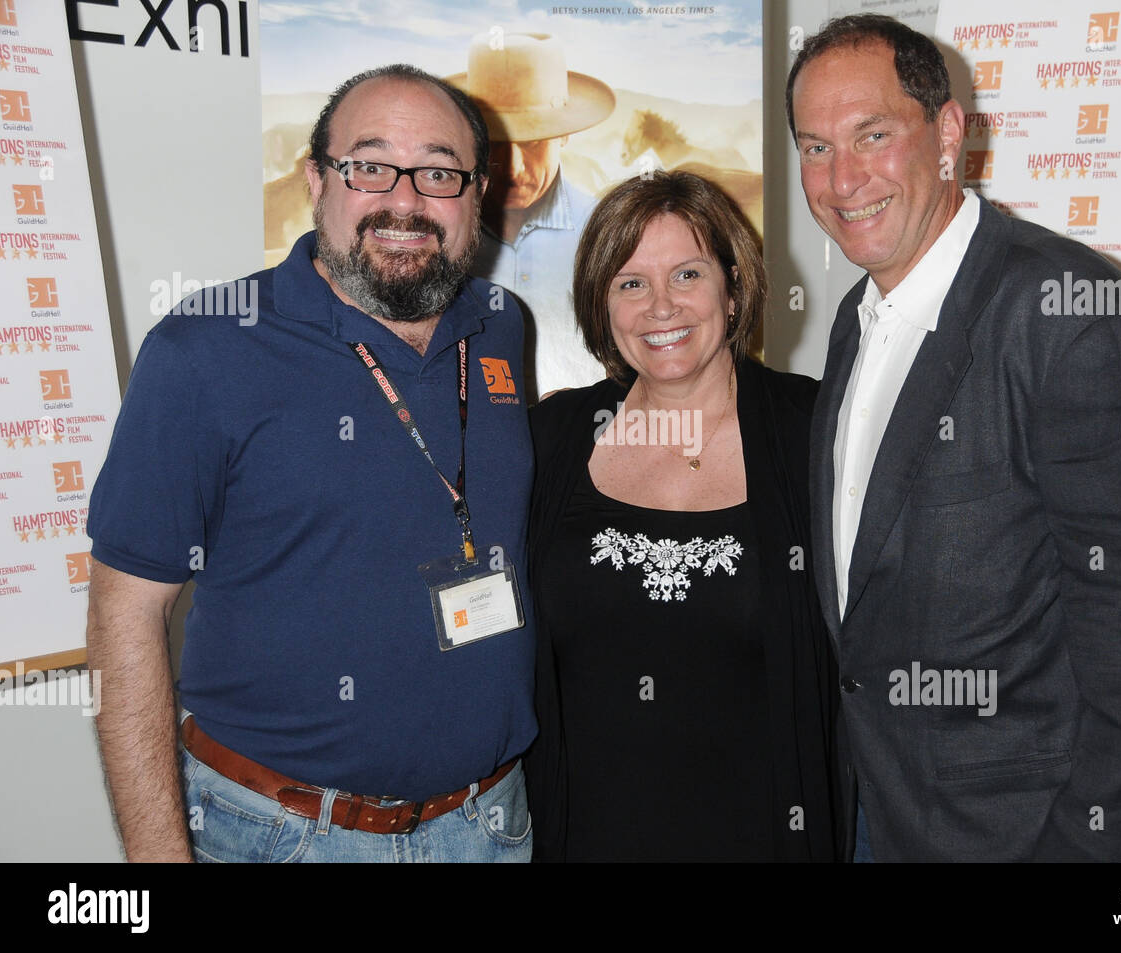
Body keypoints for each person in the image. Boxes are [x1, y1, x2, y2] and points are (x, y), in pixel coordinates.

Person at [787, 14, 1121, 862]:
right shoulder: (854, 321)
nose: (842, 180)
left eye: (872, 135)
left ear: (947, 133)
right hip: (879, 817)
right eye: (814, 148)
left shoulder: (1073, 317)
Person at [85, 64, 537, 862]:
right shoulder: (205, 351)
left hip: (491, 824)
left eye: (438, 171)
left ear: (477, 193)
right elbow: (126, 615)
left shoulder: (503, 327)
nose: (405, 200)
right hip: (280, 834)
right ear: (315, 180)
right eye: (368, 165)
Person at [525, 171, 844, 861]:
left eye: (688, 274)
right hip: (580, 838)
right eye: (630, 282)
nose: (659, 306)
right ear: (600, 303)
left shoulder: (814, 432)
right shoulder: (551, 436)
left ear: (733, 287)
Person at [450, 32, 615, 402]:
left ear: (565, 135)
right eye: (497, 145)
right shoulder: (433, 239)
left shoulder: (607, 237)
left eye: (533, 141)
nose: (515, 167)